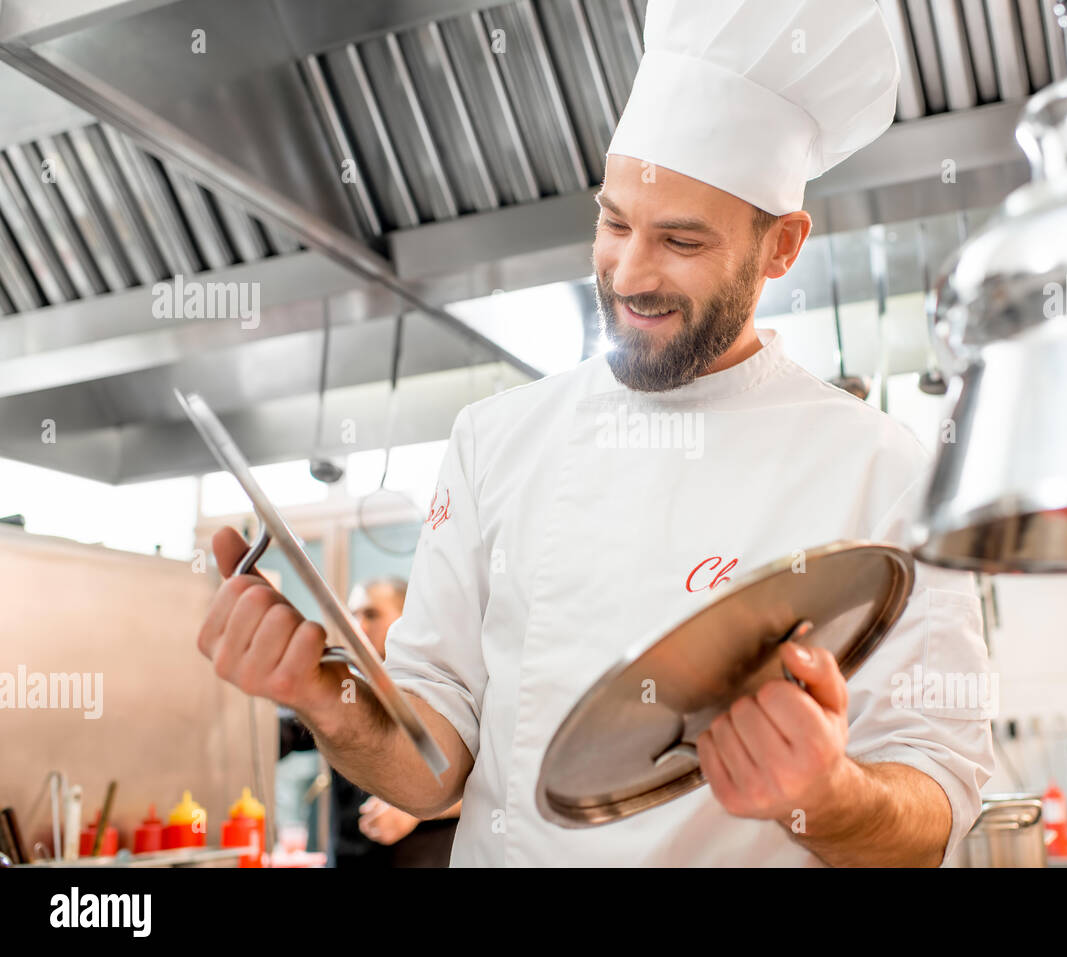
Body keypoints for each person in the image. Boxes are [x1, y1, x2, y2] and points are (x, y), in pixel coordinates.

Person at [197, 0, 995, 866]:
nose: (631, 273)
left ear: (782, 247)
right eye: (614, 223)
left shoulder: (884, 468)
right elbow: (430, 769)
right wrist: (323, 696)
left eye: (682, 240)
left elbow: (937, 798)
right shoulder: (494, 440)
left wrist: (830, 795)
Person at [279, 578, 459, 867]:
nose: (358, 626)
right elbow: (289, 729)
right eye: (353, 614)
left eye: (371, 614)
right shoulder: (346, 689)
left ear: (408, 618)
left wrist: (418, 808)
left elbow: (489, 786)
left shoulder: (445, 689)